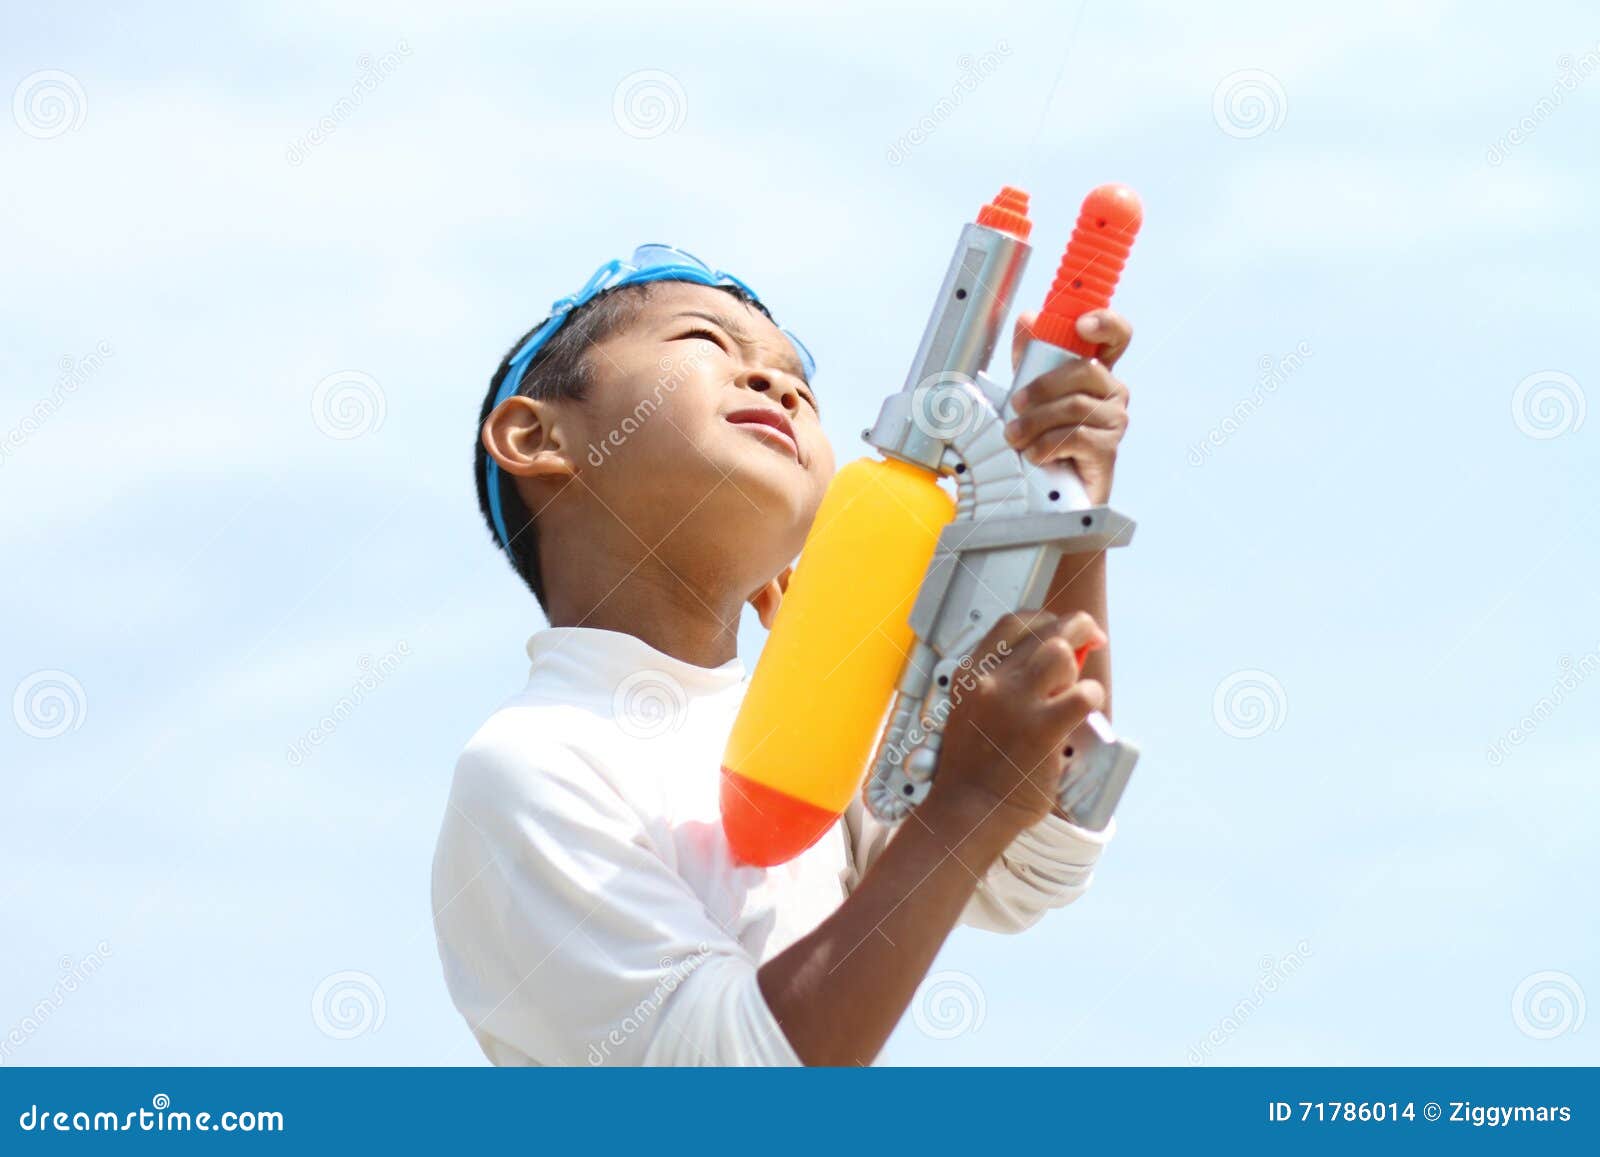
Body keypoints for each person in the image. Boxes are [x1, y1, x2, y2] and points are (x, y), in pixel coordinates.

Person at [431, 245, 1136, 1065]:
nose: (780, 385)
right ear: (536, 434)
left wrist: (1065, 505)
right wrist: (963, 807)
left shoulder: (812, 732)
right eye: (705, 340)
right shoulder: (532, 760)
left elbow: (1037, 856)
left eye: (800, 380)